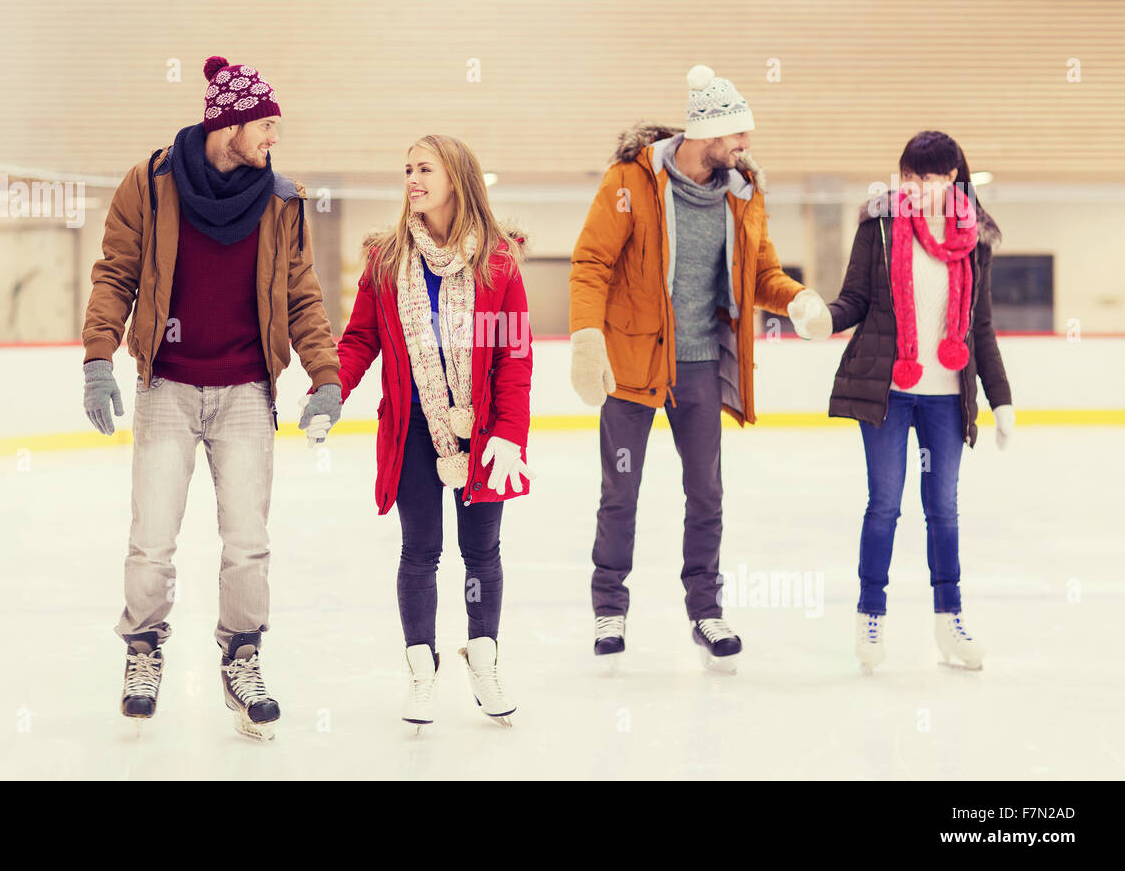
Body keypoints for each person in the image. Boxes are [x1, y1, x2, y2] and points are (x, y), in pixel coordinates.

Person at [80, 55, 343, 737]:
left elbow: (302, 296)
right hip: (166, 383)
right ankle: (143, 651)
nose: (273, 139)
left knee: (247, 543)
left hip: (246, 392)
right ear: (228, 123)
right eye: (266, 126)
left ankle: (243, 656)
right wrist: (98, 360)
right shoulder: (151, 183)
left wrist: (326, 375)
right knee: (151, 540)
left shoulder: (282, 200)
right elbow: (116, 273)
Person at [569, 65, 830, 673]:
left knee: (706, 491)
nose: (746, 146)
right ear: (708, 132)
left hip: (700, 365)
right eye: (739, 135)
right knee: (620, 492)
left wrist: (797, 299)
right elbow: (590, 263)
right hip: (632, 365)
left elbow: (760, 274)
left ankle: (706, 611)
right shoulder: (630, 181)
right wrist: (587, 337)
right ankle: (610, 607)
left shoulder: (742, 194)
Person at [330, 134, 533, 728]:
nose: (413, 179)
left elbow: (515, 357)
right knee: (420, 551)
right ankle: (423, 670)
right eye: (408, 170)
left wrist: (509, 434)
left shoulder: (498, 263)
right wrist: (331, 390)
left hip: (485, 431)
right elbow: (360, 339)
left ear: (457, 179)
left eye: (425, 169)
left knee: (481, 553)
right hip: (412, 429)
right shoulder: (388, 261)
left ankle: (484, 658)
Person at [802, 130, 1014, 672]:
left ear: (952, 178)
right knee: (885, 504)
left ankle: (950, 622)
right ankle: (871, 615)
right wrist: (825, 318)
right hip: (889, 392)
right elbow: (855, 299)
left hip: (947, 396)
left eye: (929, 177)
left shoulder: (975, 241)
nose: (917, 186)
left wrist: (1002, 400)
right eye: (909, 176)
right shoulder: (879, 227)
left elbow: (980, 328)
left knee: (943, 509)